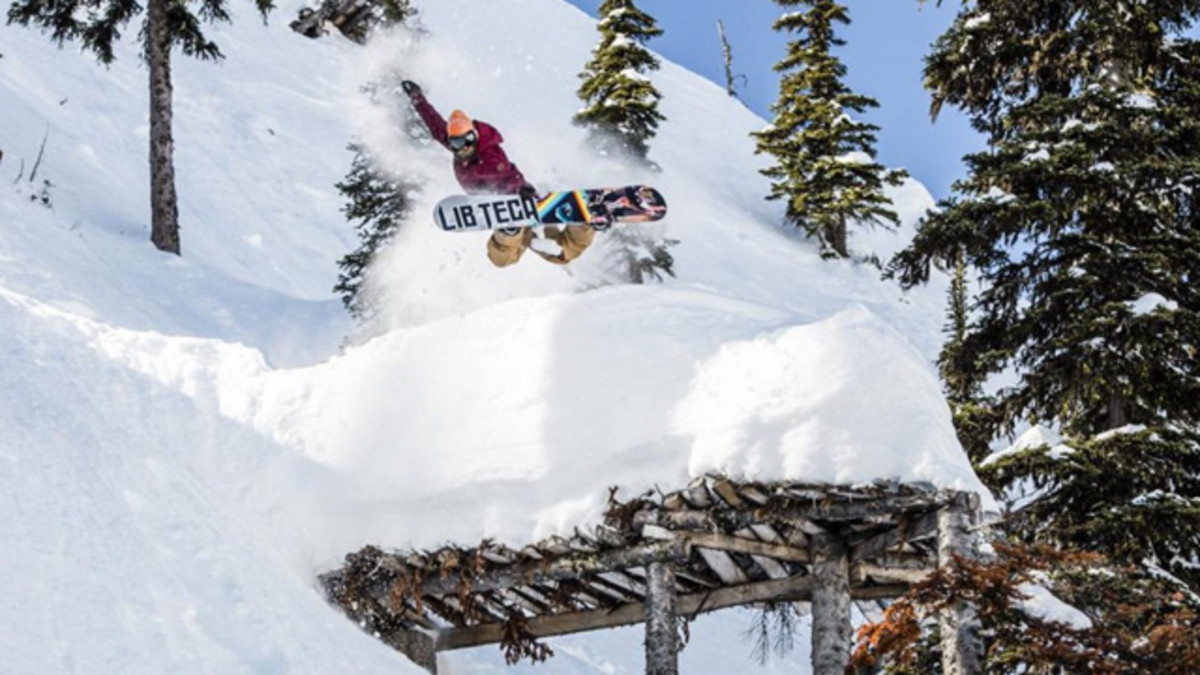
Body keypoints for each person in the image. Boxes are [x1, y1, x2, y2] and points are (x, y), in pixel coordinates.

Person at [401, 80, 595, 267]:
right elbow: (435, 124)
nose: (463, 147)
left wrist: (521, 190)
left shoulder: (491, 157)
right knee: (511, 258)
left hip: (520, 202)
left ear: (475, 136)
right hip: (502, 209)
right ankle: (513, 231)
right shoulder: (457, 147)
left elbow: (510, 176)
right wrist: (417, 97)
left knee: (546, 256)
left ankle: (579, 224)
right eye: (456, 143)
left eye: (467, 140)